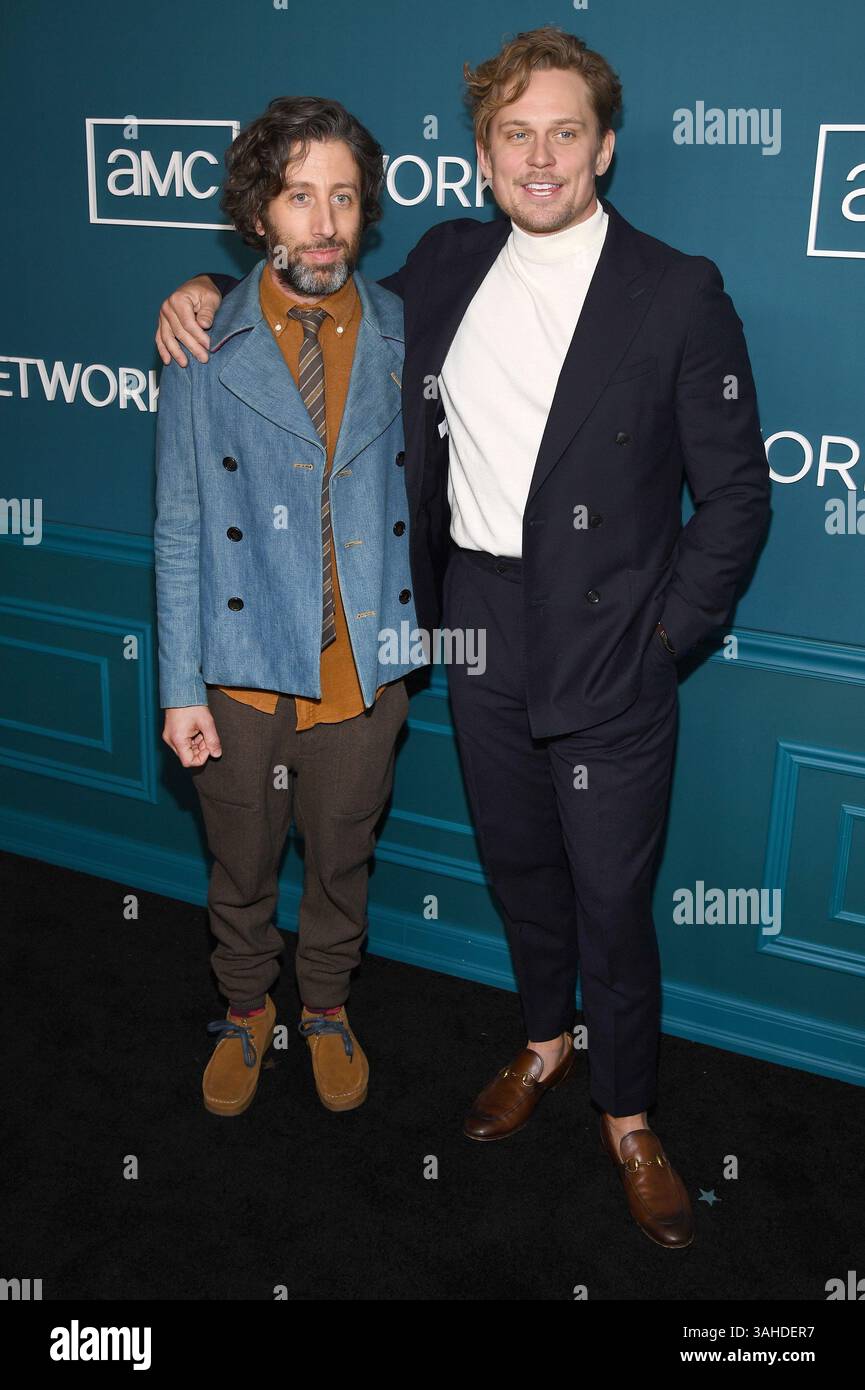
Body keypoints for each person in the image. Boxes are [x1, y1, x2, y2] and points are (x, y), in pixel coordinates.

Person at [155, 27, 771, 1246]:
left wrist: (664, 640)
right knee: (524, 872)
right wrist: (193, 295)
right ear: (483, 155)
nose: (539, 157)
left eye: (563, 132)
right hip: (478, 626)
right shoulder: (441, 264)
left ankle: (629, 1113)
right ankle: (543, 1044)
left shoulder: (676, 287)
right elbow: (295, 298)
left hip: (612, 640)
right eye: (512, 134)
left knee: (614, 893)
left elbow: (738, 495)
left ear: (603, 145)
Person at [154, 95, 422, 1120]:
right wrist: (179, 687)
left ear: (364, 211)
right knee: (241, 863)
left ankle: (322, 1005)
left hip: (361, 670)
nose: (323, 223)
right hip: (235, 666)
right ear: (258, 212)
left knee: (343, 858)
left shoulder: (404, 325)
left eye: (343, 197)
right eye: (297, 195)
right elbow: (180, 526)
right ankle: (241, 1006)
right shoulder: (201, 339)